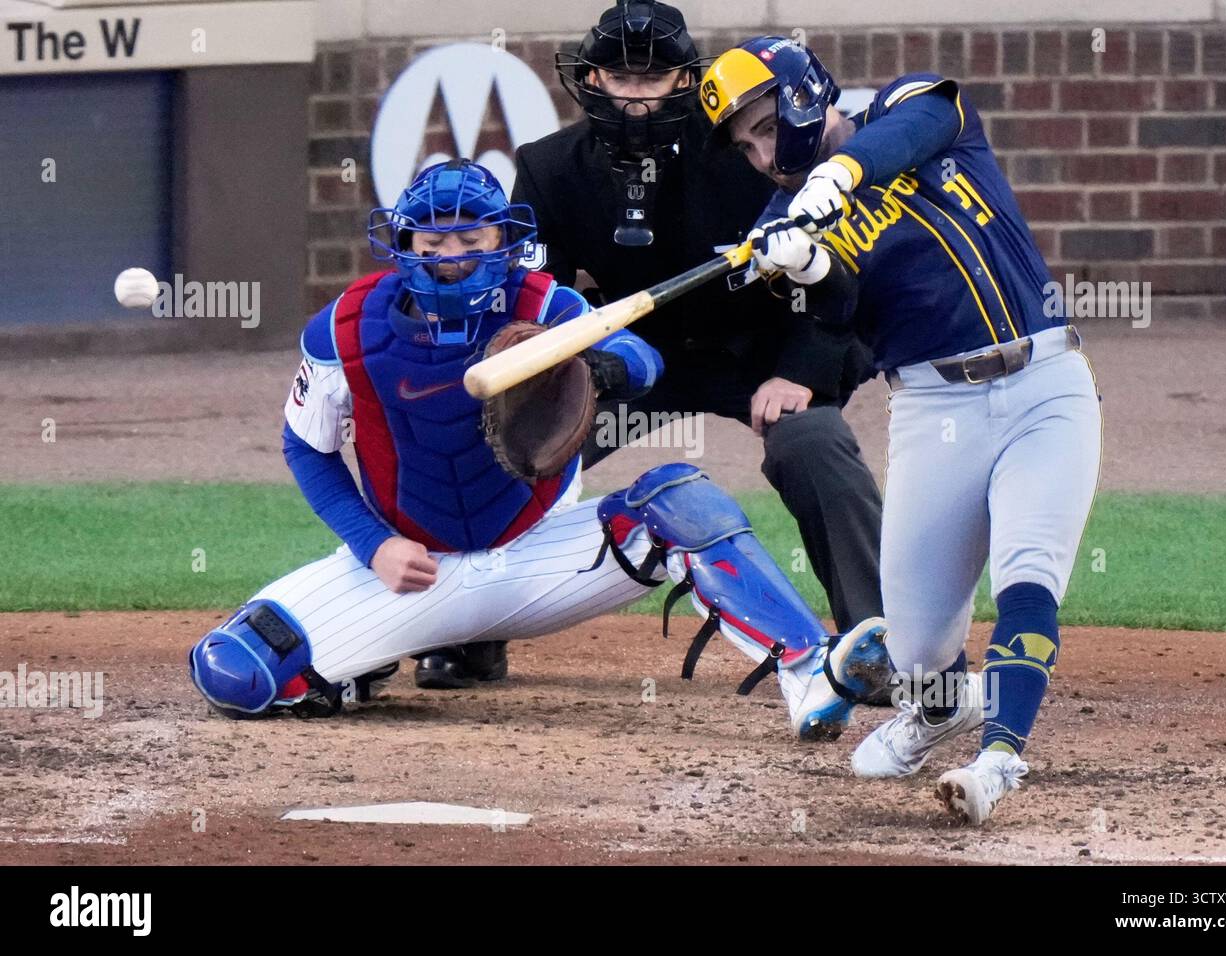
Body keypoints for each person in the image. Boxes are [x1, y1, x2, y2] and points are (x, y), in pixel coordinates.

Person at [186, 159, 888, 740]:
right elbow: (304, 448)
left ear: (502, 239)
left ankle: (811, 671)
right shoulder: (342, 329)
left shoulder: (543, 302)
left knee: (679, 499)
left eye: (470, 240)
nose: (451, 257)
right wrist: (372, 546)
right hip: (410, 568)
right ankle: (362, 662)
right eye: (433, 242)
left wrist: (604, 370)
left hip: (543, 555)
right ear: (403, 245)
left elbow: (640, 357)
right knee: (236, 670)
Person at [411, 1, 886, 695]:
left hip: (754, 350)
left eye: (653, 77)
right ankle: (470, 631)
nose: (635, 96)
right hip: (626, 357)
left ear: (683, 82)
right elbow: (531, 298)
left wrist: (799, 372)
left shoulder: (750, 153)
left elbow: (838, 274)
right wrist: (569, 371)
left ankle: (873, 643)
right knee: (507, 445)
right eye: (619, 76)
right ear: (591, 79)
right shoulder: (549, 167)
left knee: (813, 445)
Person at [701, 37, 1103, 823]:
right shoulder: (784, 223)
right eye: (741, 144)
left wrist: (835, 180)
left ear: (802, 95)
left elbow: (917, 127)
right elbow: (842, 318)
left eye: (760, 125)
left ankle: (999, 759)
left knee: (1027, 571)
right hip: (934, 409)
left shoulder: (910, 106)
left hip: (1046, 384)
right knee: (918, 647)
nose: (756, 151)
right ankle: (939, 706)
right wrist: (810, 268)